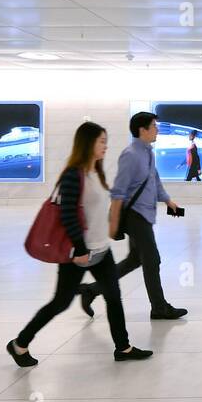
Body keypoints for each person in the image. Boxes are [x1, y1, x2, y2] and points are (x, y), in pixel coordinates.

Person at [6, 122, 150, 367]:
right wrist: (80, 249)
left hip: (101, 249)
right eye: (101, 141)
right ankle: (20, 344)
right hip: (79, 253)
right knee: (60, 302)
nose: (106, 146)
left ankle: (123, 348)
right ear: (88, 143)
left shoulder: (96, 170)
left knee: (114, 297)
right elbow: (67, 214)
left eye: (106, 141)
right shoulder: (73, 174)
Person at [79, 112, 187, 321]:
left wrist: (167, 200)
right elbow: (119, 190)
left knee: (134, 260)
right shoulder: (130, 154)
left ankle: (91, 290)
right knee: (152, 259)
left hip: (144, 214)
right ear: (142, 130)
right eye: (154, 126)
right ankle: (159, 307)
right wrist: (114, 222)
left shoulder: (148, 152)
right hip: (134, 216)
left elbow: (153, 178)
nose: (157, 129)